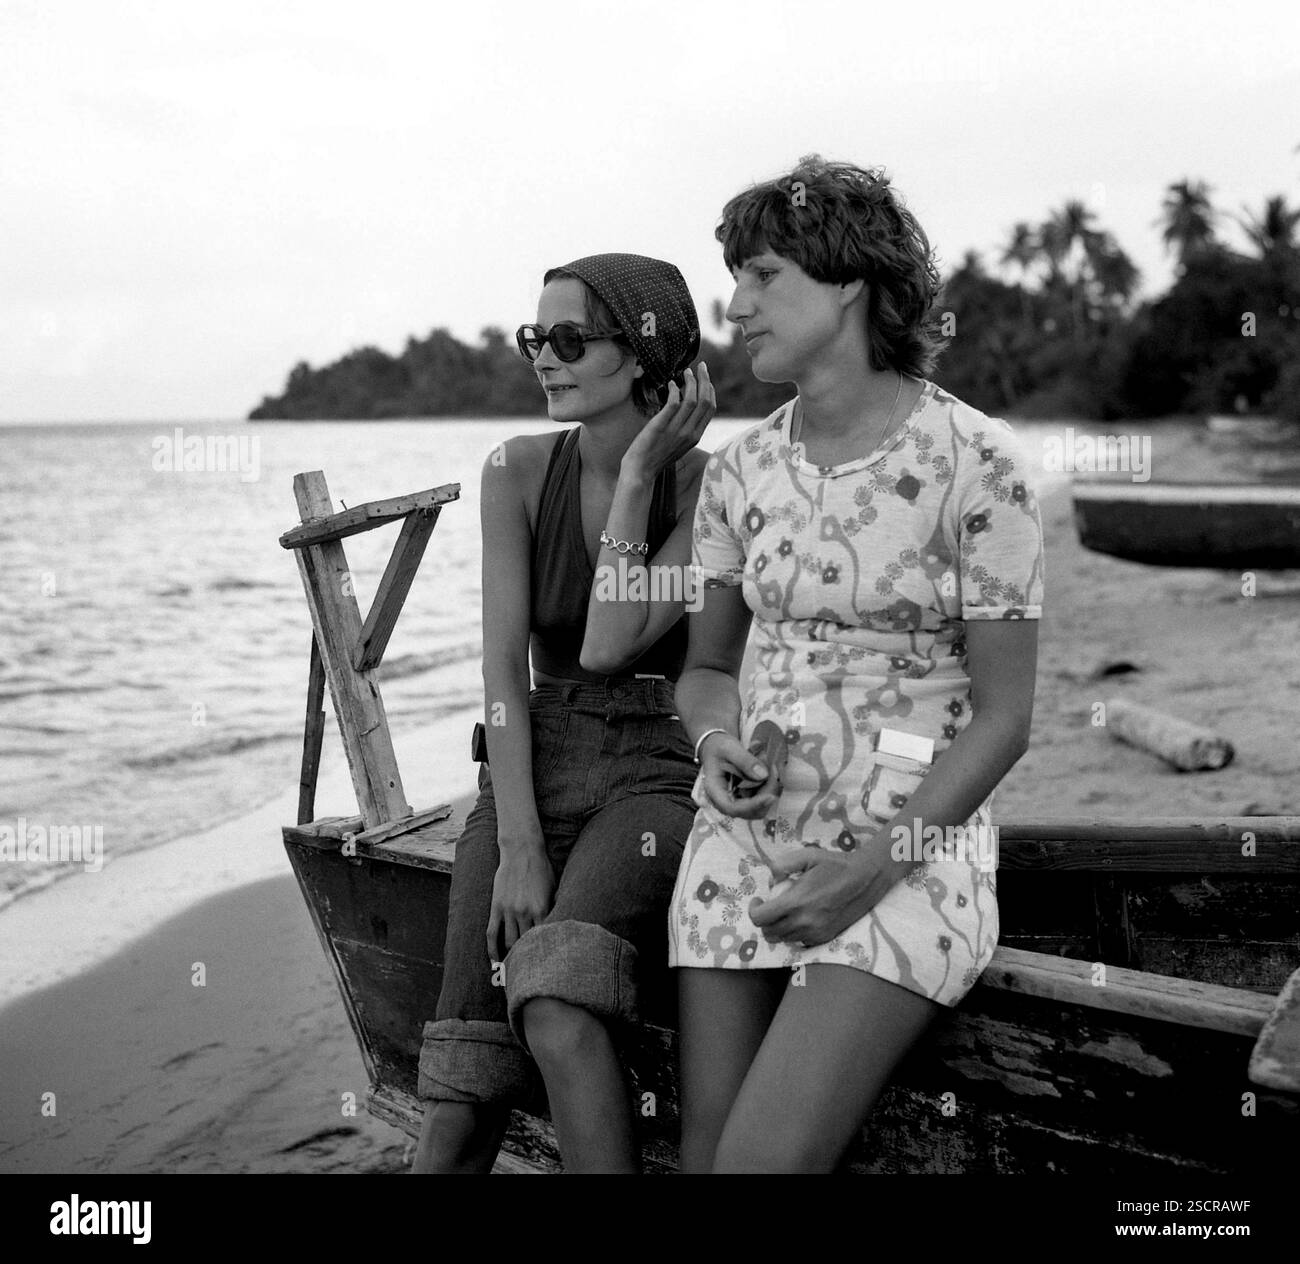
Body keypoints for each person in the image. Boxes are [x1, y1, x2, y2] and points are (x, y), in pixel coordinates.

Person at [670, 156, 1046, 1173]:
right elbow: (704, 670)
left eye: (759, 276)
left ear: (845, 280)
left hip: (908, 847)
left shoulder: (978, 462)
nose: (735, 304)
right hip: (744, 845)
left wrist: (868, 869)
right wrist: (714, 744)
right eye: (733, 279)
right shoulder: (740, 471)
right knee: (703, 1161)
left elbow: (1004, 718)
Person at [411, 253, 715, 1173]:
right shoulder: (513, 470)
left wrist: (636, 478)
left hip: (656, 765)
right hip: (530, 753)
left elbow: (608, 647)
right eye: (535, 337)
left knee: (558, 1001)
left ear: (644, 356)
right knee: (461, 1093)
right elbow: (503, 669)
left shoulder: (710, 486)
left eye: (571, 339)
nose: (544, 356)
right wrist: (521, 842)